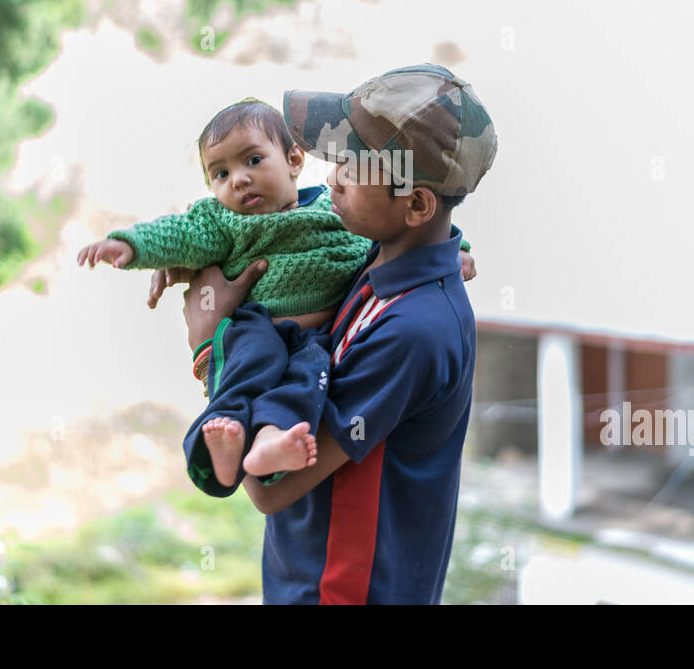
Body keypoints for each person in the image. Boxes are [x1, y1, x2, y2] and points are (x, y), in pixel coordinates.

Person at [180, 62, 498, 604]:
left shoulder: (414, 332)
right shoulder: (379, 259)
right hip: (306, 580)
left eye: (351, 165)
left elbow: (269, 487)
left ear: (417, 204)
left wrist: (210, 347)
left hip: (344, 590)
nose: (331, 177)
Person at [76, 97, 474, 494]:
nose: (238, 180)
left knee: (308, 379)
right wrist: (129, 246)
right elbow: (180, 233)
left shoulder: (335, 214)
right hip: (257, 324)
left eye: (252, 161)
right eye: (220, 174)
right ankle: (228, 435)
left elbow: (420, 231)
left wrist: (457, 251)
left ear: (294, 161)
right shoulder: (224, 222)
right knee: (250, 364)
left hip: (311, 342)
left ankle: (267, 440)